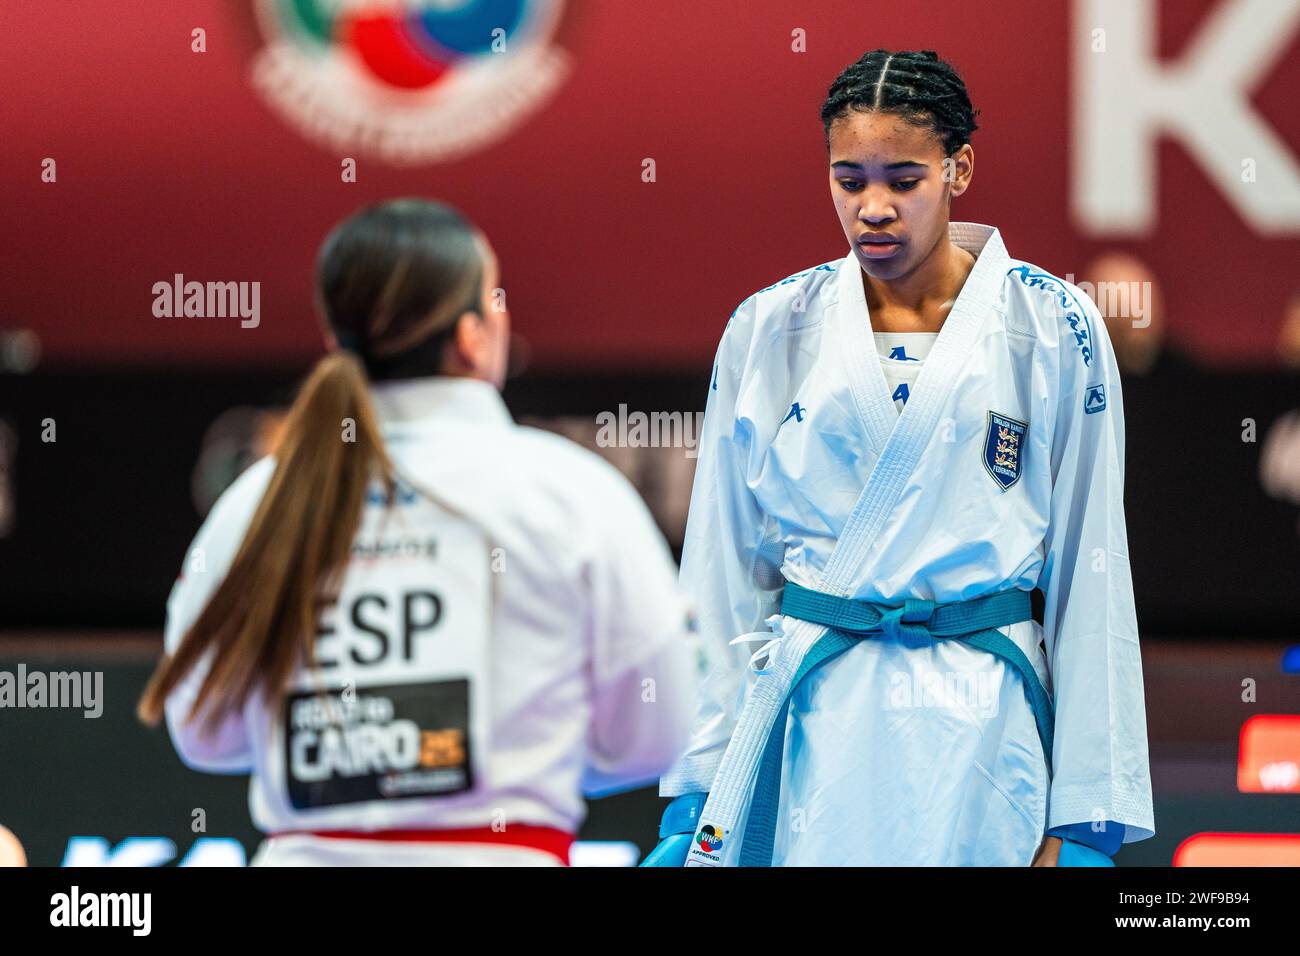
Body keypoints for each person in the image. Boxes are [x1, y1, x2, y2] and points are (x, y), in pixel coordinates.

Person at [644, 50, 1154, 867]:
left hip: (985, 723)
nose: (872, 208)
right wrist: (699, 787)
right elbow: (720, 569)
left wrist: (1089, 816)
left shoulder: (1054, 322)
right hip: (818, 716)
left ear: (960, 168)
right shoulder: (771, 325)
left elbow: (1092, 573)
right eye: (849, 180)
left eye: (903, 179)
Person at [139, 199, 696, 866]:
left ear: (334, 340)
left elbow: (204, 731)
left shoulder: (255, 505)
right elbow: (657, 734)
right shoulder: (571, 494)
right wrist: (527, 761)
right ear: (471, 335)